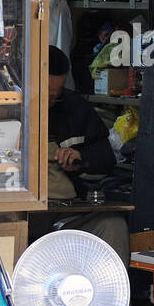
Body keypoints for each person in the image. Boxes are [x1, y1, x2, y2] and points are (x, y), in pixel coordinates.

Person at [47, 45, 130, 265]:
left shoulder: (75, 108)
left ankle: (116, 298)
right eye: (43, 94)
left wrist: (80, 158)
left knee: (114, 224)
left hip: (64, 216)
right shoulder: (8, 107)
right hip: (19, 215)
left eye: (54, 96)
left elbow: (106, 156)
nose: (48, 102)